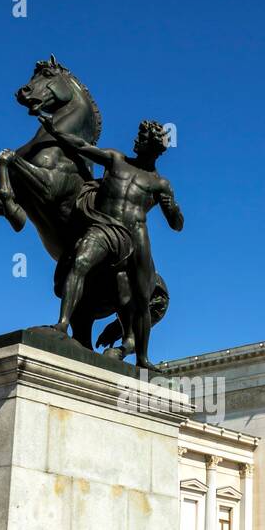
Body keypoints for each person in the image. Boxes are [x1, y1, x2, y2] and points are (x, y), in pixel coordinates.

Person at [37, 113, 183, 367]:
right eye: (143, 140)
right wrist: (55, 129)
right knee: (80, 262)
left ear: (159, 150)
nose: (144, 144)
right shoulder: (117, 160)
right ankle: (62, 324)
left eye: (150, 142)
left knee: (141, 298)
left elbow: (177, 225)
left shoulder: (161, 184)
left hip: (137, 236)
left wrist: (173, 209)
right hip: (106, 227)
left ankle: (142, 357)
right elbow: (81, 146)